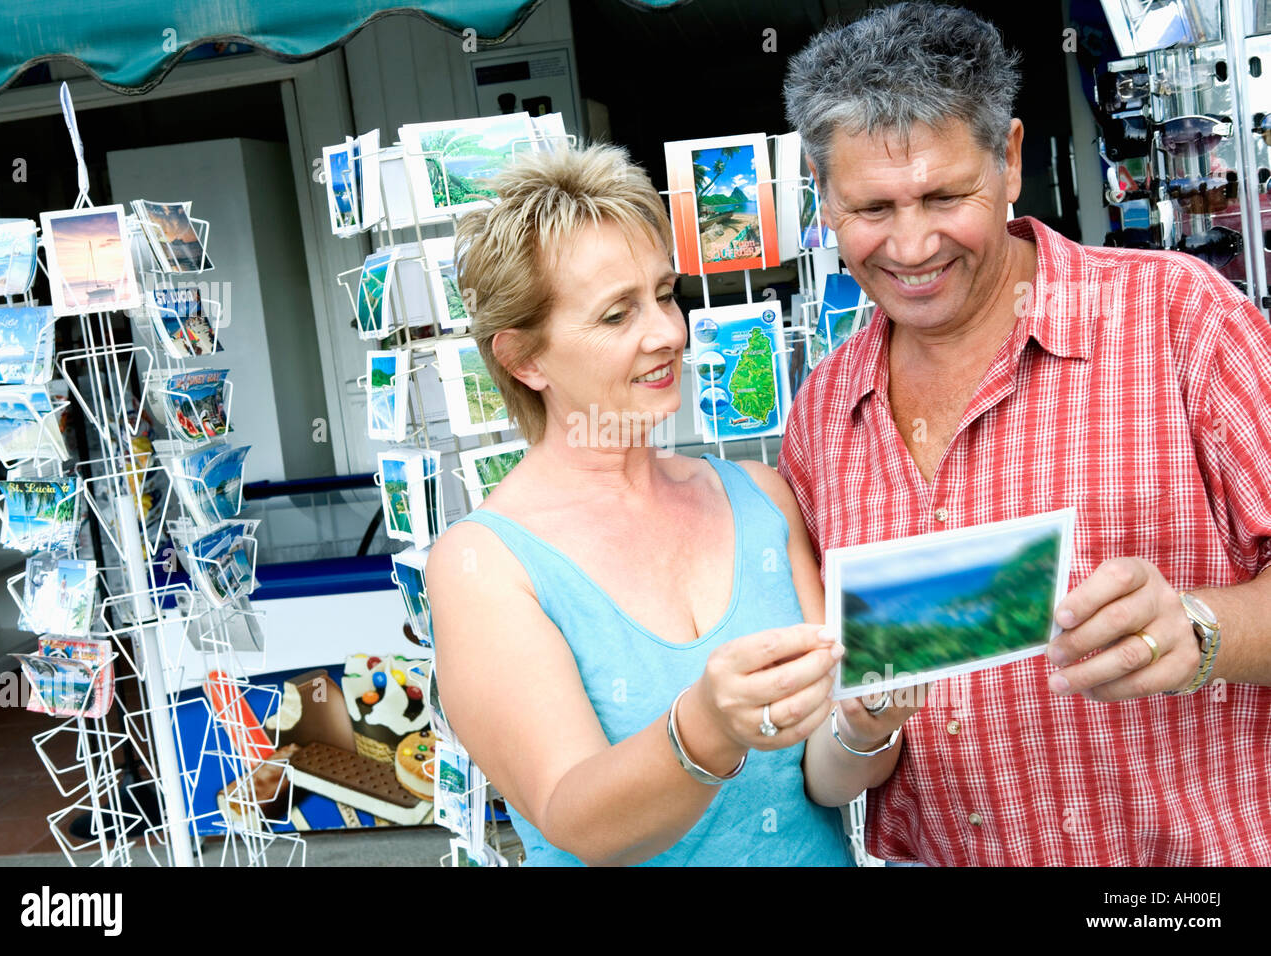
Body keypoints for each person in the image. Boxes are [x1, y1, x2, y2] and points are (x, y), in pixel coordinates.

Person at [780, 1, 1271, 866]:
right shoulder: (824, 414)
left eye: (943, 194)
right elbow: (841, 708)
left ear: (1008, 159)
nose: (911, 243)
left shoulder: (1181, 318)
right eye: (872, 207)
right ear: (822, 194)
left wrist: (1200, 628)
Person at [426, 145, 913, 866]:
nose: (668, 333)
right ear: (524, 359)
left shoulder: (759, 497)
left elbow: (824, 779)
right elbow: (577, 821)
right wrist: (706, 726)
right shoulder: (484, 564)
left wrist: (868, 718)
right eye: (617, 314)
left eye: (664, 293)